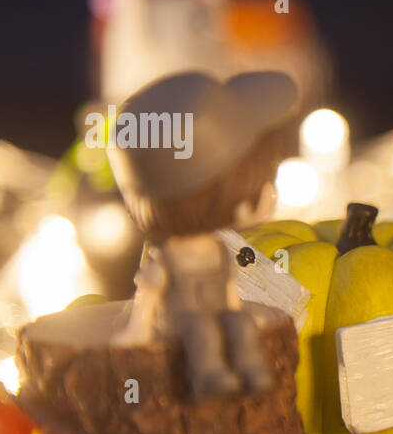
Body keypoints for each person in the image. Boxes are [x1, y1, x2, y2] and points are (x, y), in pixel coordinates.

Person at [105, 70, 299, 398]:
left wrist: (242, 315)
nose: (270, 190)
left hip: (217, 314)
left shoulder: (217, 251)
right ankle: (209, 378)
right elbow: (149, 295)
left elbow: (227, 293)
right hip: (182, 324)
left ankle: (251, 370)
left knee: (238, 327)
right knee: (203, 333)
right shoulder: (168, 260)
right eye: (257, 179)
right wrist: (137, 331)